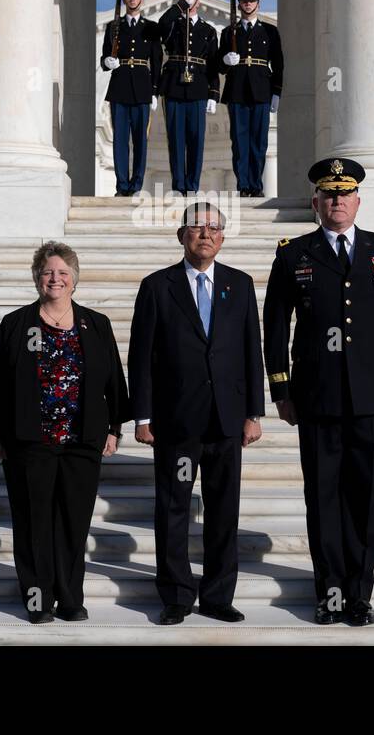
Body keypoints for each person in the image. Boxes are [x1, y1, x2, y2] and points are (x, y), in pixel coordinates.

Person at [262, 158, 374, 627]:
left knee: (367, 496)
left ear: (357, 201)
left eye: (344, 194)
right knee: (324, 495)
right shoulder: (295, 253)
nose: (337, 201)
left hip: (372, 395)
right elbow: (274, 326)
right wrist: (281, 389)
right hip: (318, 396)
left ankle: (359, 593)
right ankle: (329, 590)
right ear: (316, 202)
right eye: (329, 194)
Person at [0, 241, 128, 624]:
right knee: (33, 523)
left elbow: (114, 380)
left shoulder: (97, 323)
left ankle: (71, 598)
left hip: (83, 440)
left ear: (74, 279)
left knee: (74, 523)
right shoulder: (16, 324)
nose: (55, 279)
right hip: (29, 441)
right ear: (37, 279)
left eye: (62, 273)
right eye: (48, 273)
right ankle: (37, 600)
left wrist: (114, 429)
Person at [129, 202, 264, 625]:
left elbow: (250, 351)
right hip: (177, 423)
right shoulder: (156, 286)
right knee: (174, 509)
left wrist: (254, 412)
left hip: (226, 421)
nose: (204, 234)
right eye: (196, 227)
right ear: (181, 236)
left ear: (222, 238)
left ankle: (218, 595)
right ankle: (175, 595)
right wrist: (142, 416)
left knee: (225, 511)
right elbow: (141, 357)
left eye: (213, 228)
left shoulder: (239, 285)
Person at [219, 0, 283, 197]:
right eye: (244, 0)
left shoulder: (269, 31)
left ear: (258, 3)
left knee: (259, 142)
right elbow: (219, 65)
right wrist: (226, 60)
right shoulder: (229, 32)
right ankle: (243, 185)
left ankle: (256, 185)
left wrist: (277, 92)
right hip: (237, 90)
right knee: (239, 141)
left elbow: (279, 63)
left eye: (252, 0)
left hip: (261, 90)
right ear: (239, 4)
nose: (248, 3)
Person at [156, 0, 219, 194]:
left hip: (199, 88)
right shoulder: (172, 25)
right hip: (173, 86)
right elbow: (161, 26)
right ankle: (178, 184)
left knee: (195, 139)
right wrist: (181, 6)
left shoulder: (209, 30)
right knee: (175, 139)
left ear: (199, 1)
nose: (190, 1)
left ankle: (192, 185)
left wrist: (213, 94)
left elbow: (212, 64)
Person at [101, 0, 160, 196]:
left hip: (143, 89)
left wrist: (155, 90)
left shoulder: (151, 28)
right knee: (119, 141)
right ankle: (122, 185)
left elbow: (156, 60)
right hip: (119, 87)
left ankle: (136, 185)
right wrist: (107, 62)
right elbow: (104, 56)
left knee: (140, 141)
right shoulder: (114, 27)